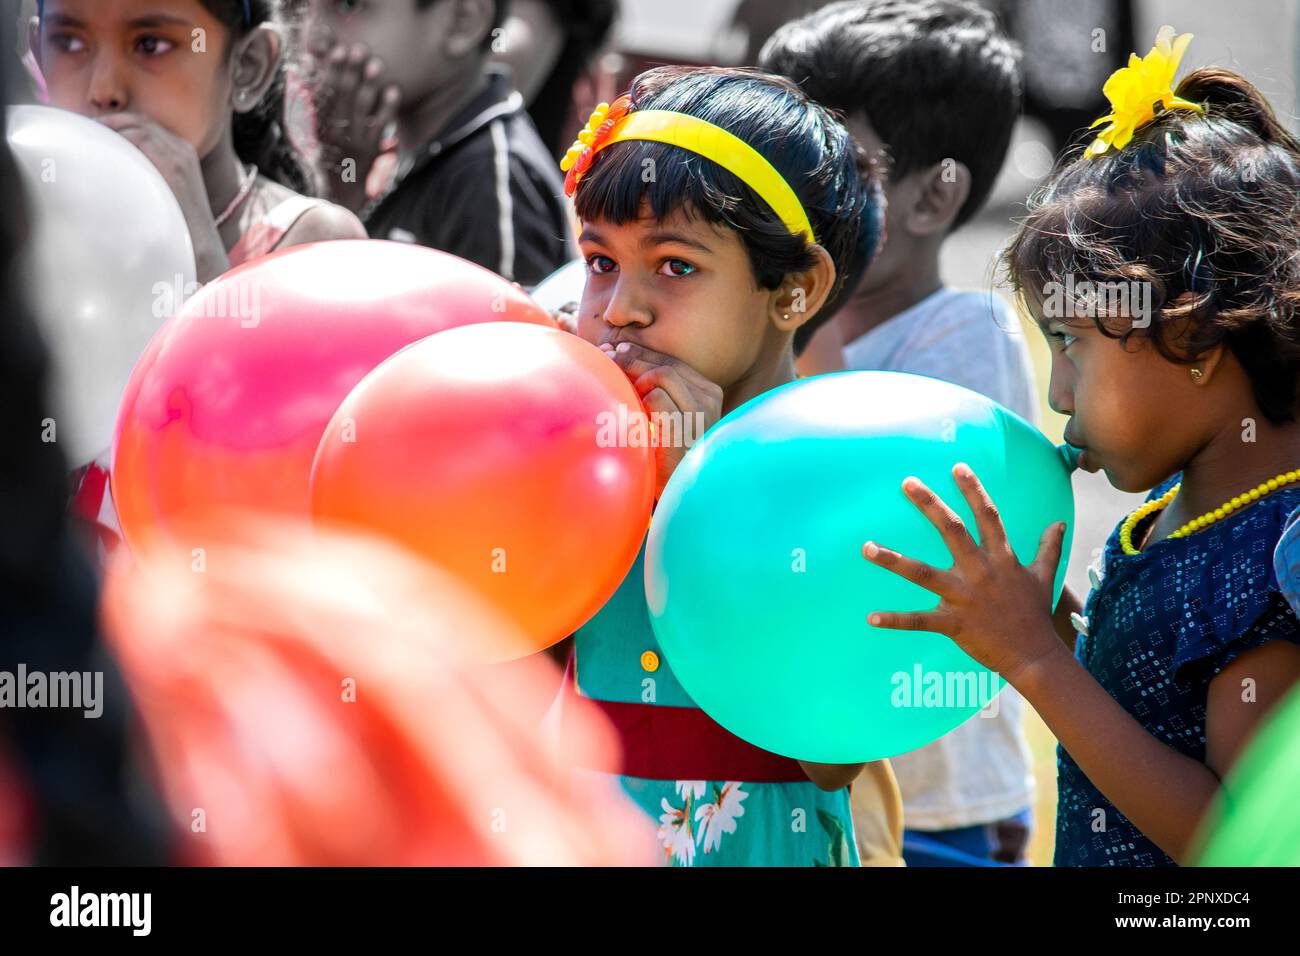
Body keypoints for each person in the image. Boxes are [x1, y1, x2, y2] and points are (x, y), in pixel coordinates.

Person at [861, 28, 1300, 866]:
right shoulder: (1181, 517)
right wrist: (1060, 645)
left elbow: (1237, 843)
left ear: (1195, 337)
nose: (1058, 393)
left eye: (1071, 346)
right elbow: (1152, 725)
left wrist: (1036, 662)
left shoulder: (1270, 558)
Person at [548, 63, 885, 865]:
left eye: (675, 266)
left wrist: (694, 494)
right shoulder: (581, 453)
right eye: (601, 262)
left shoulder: (834, 476)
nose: (621, 307)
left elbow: (830, 755)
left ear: (796, 290)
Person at [761, 0, 1038, 865]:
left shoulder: (963, 336)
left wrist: (814, 312)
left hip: (937, 807)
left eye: (840, 168)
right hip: (810, 776)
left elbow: (861, 512)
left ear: (935, 194)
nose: (801, 199)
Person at [33, 0, 366, 284]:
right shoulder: (30, 225)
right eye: (69, 43)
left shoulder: (311, 247)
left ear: (248, 66)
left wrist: (199, 250)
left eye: (151, 44)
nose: (103, 91)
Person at [301, 0, 571, 286]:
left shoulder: (491, 176)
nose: (314, 38)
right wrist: (344, 176)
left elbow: (508, 325)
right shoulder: (383, 148)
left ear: (462, 21)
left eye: (348, 6)